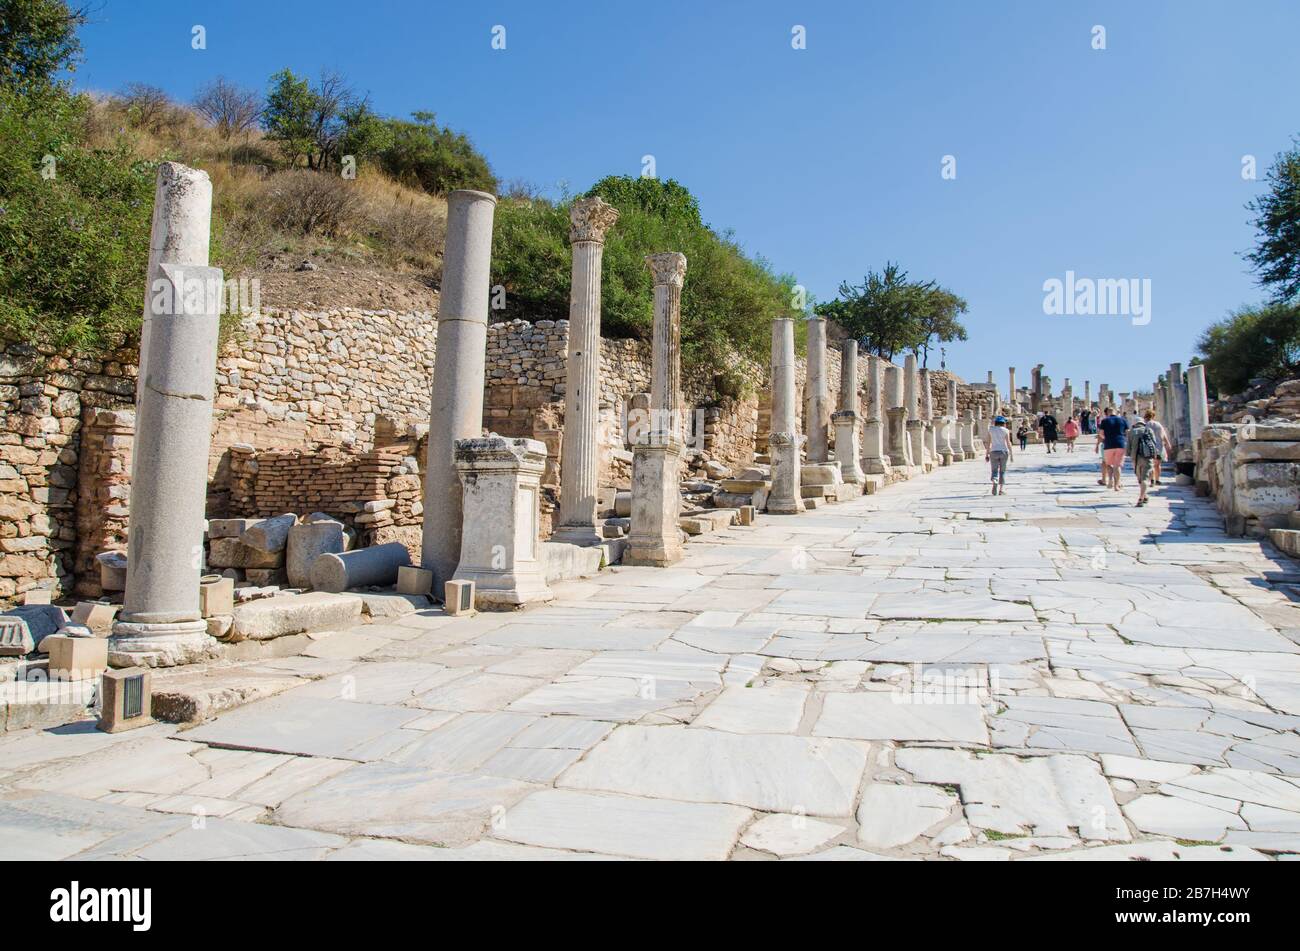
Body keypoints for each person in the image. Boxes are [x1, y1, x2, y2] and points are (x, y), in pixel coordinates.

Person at [1126, 412, 1161, 506]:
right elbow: (1154, 443)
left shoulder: (1131, 432)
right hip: (1147, 456)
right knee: (1145, 478)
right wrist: (1155, 455)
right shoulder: (1149, 430)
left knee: (1140, 478)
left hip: (1136, 458)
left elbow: (1128, 448)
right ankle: (1144, 495)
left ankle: (1141, 498)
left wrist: (1129, 455)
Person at [1094, 405, 1129, 491]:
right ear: (1116, 412)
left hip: (1108, 444)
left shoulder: (1105, 421)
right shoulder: (1123, 420)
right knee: (1118, 466)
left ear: (1108, 413)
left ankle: (1110, 480)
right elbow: (1128, 433)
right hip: (1120, 444)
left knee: (1109, 464)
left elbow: (1101, 433)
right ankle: (1117, 485)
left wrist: (1105, 438)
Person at [1142, 409, 1173, 485]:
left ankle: (1151, 479)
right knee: (1158, 464)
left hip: (1148, 447)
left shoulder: (1145, 425)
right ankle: (1157, 480)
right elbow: (1163, 435)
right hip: (1159, 446)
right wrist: (1168, 444)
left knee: (1151, 464)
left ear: (1146, 416)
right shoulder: (1158, 424)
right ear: (1153, 416)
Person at [986, 415, 1014, 495]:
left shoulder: (991, 430)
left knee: (994, 470)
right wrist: (1011, 454)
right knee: (1002, 471)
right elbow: (1008, 443)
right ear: (1003, 423)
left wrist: (987, 454)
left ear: (995, 423)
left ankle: (995, 479)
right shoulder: (1006, 430)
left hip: (993, 451)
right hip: (1004, 451)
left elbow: (988, 442)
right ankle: (1001, 490)